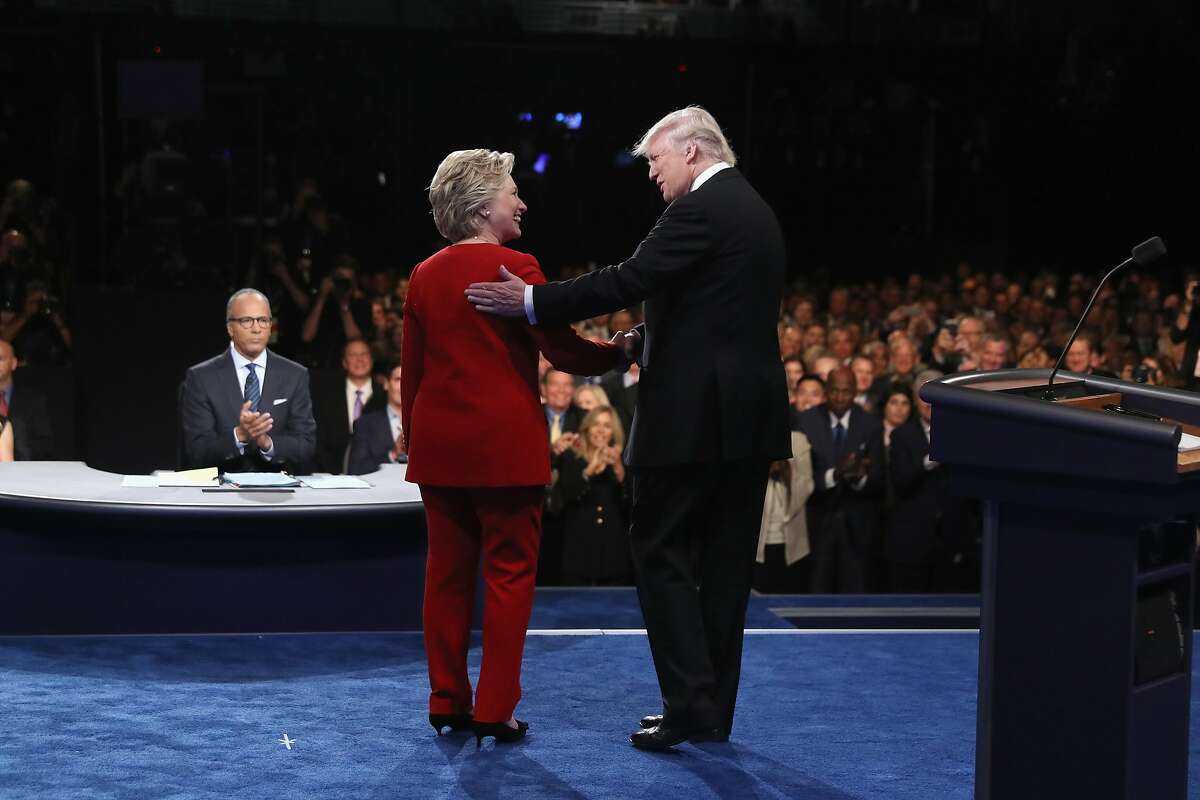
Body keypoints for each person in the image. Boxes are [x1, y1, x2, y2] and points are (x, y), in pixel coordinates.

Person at [465, 106, 791, 750]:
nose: (652, 174)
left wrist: (531, 301)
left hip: (693, 422)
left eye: (656, 161)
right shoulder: (751, 207)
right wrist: (648, 335)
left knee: (660, 552)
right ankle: (708, 709)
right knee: (724, 568)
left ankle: (686, 704)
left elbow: (631, 278)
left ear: (692, 152)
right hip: (745, 422)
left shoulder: (701, 206)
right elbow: (716, 309)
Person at [404, 149, 626, 746]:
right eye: (512, 192)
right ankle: (494, 708)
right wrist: (622, 351)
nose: (522, 202)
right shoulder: (519, 266)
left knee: (445, 577)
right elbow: (565, 354)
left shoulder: (424, 275)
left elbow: (413, 371)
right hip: (504, 448)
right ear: (482, 207)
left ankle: (446, 699)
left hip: (442, 450)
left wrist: (415, 441)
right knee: (508, 577)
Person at [180, 289, 317, 473]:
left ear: (270, 326)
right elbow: (196, 450)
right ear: (230, 328)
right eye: (246, 321)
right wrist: (240, 435)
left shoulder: (295, 375)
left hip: (279, 493)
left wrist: (266, 443)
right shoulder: (201, 378)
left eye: (263, 320)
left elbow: (306, 446)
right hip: (220, 494)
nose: (256, 328)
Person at [796, 366, 885, 593]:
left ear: (855, 391)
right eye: (834, 391)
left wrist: (860, 477)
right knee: (815, 594)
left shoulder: (871, 424)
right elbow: (799, 477)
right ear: (826, 391)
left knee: (855, 597)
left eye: (846, 391)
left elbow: (880, 479)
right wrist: (835, 474)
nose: (839, 397)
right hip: (817, 525)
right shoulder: (806, 421)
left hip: (858, 528)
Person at [555, 405, 633, 585]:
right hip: (578, 552)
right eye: (596, 424)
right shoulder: (571, 458)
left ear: (613, 432)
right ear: (586, 428)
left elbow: (630, 503)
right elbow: (566, 497)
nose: (600, 430)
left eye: (606, 426)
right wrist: (588, 471)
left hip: (613, 554)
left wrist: (619, 470)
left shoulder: (623, 461)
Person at [753, 429, 814, 594]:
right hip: (756, 546)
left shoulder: (798, 441)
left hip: (792, 547)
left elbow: (806, 486)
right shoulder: (751, 436)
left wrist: (787, 469)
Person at [312, 338, 385, 473]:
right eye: (353, 355)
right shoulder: (325, 396)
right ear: (344, 362)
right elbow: (318, 438)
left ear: (372, 360)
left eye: (364, 354)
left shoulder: (384, 395)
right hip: (329, 473)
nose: (359, 359)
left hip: (375, 472)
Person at [347, 362, 406, 474]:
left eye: (409, 380)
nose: (404, 385)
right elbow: (355, 470)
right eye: (398, 379)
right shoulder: (364, 424)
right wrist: (393, 454)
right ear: (386, 384)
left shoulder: (427, 423)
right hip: (381, 489)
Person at [0, 338, 52, 460]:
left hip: (26, 471)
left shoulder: (33, 400)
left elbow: (45, 444)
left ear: (13, 363)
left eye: (0, 359)